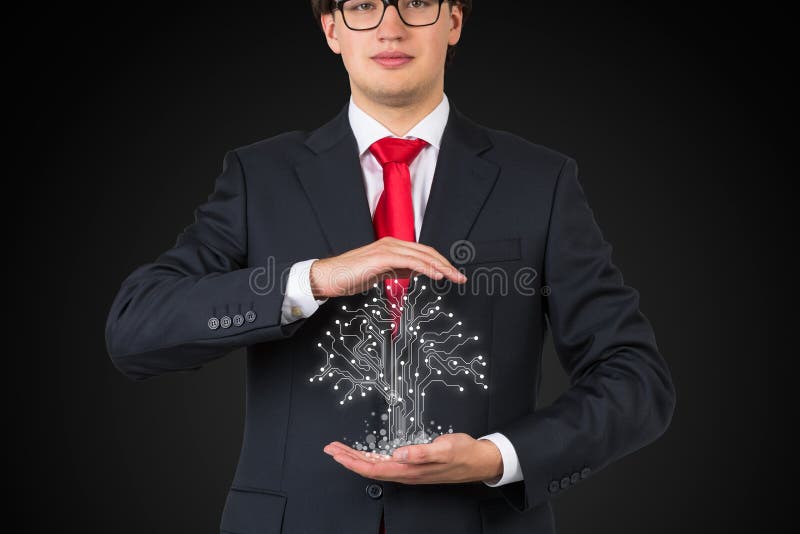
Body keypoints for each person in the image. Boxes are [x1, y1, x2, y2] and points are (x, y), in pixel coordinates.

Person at [104, 1, 676, 532]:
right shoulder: (260, 178)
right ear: (331, 29)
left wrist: (497, 455)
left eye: (418, 2)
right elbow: (135, 328)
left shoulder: (540, 182)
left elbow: (635, 379)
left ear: (452, 21)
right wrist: (312, 280)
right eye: (361, 6)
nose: (389, 26)